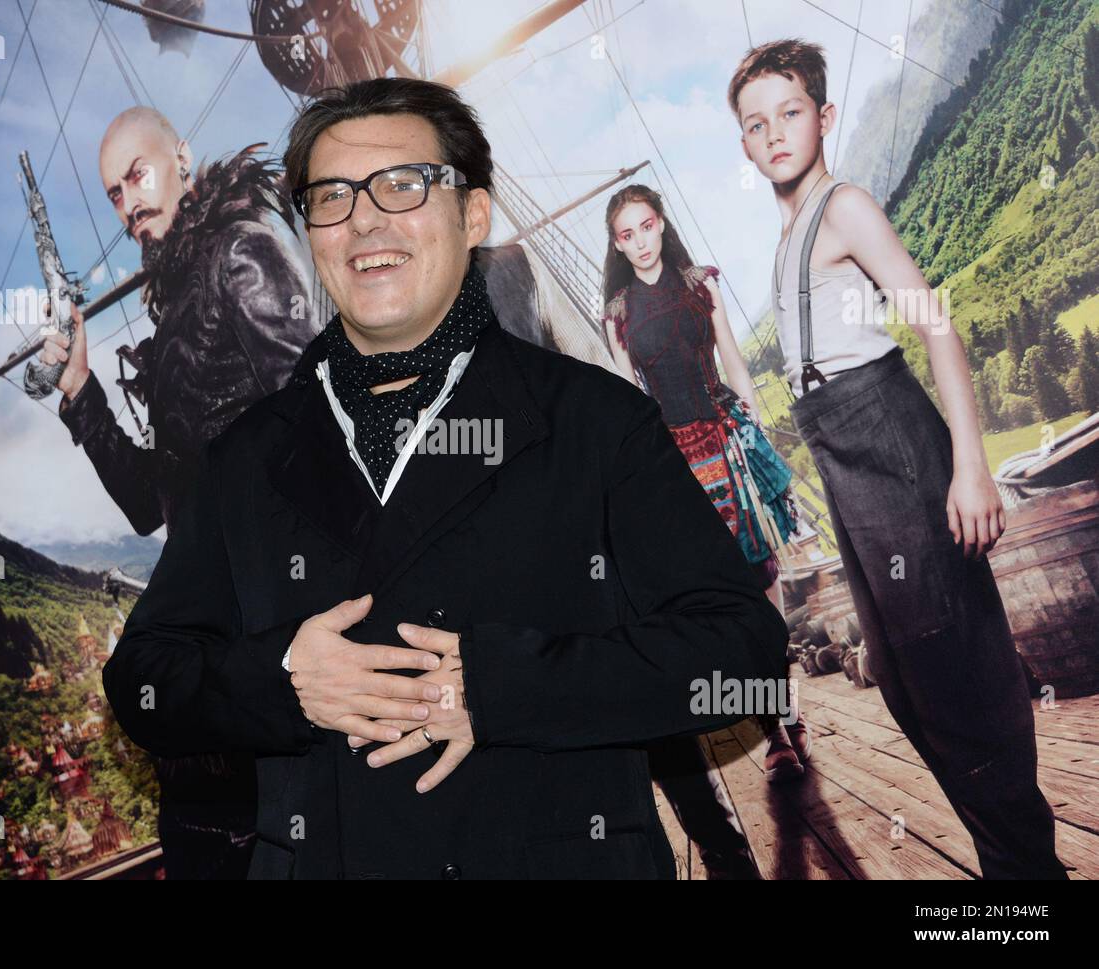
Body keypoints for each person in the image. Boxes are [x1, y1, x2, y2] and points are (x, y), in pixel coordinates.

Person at [102, 76, 789, 879]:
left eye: (403, 185)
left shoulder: (591, 420)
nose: (365, 220)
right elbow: (145, 682)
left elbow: (742, 658)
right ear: (311, 232)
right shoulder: (247, 458)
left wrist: (504, 688)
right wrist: (285, 676)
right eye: (332, 195)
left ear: (473, 215)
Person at [729, 38, 1067, 878]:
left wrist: (971, 464)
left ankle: (1027, 877)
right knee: (910, 685)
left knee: (958, 669)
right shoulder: (783, 242)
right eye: (755, 122)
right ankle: (1011, 870)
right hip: (846, 466)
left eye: (791, 112)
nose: (775, 133)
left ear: (826, 117)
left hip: (892, 437)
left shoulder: (847, 208)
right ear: (743, 141)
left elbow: (936, 325)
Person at [39, 106, 320, 879]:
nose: (128, 201)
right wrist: (79, 391)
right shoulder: (177, 303)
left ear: (183, 158)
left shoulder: (241, 254)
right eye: (112, 193)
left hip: (273, 641)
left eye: (138, 174)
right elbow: (146, 505)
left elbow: (322, 438)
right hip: (219, 653)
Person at [602, 184, 808, 789]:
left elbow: (735, 363)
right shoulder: (618, 315)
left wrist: (754, 427)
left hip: (725, 443)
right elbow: (629, 400)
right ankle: (774, 732)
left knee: (764, 585)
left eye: (646, 226)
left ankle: (791, 715)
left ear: (661, 224)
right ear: (616, 243)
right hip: (676, 468)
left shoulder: (700, 284)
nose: (640, 242)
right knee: (722, 600)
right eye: (626, 233)